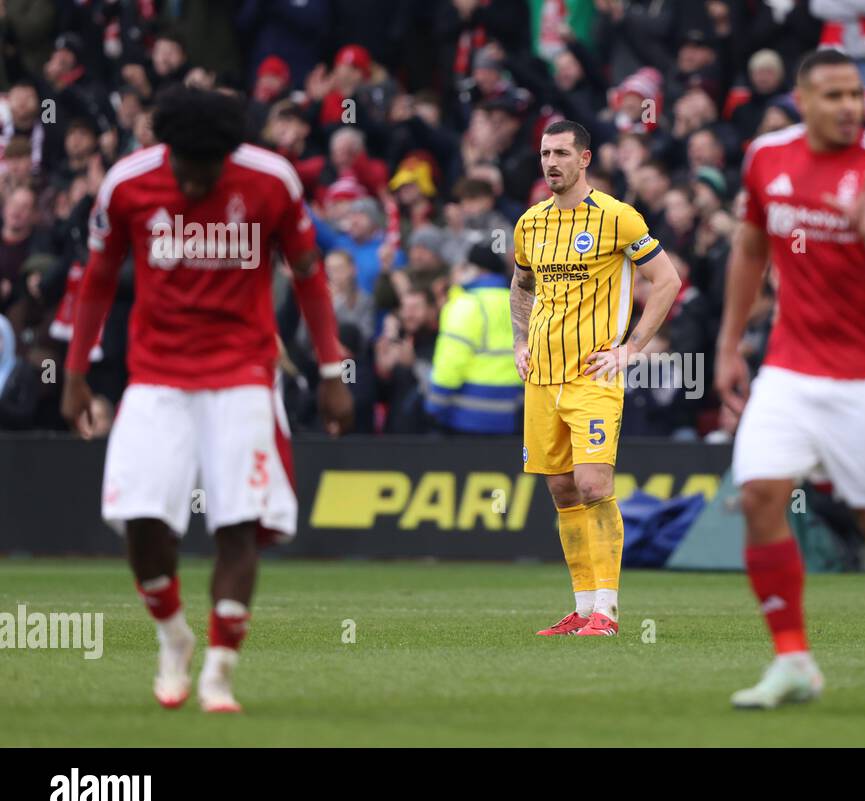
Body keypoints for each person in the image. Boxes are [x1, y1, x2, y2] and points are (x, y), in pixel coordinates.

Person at [60, 86, 354, 714]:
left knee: (235, 525)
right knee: (141, 522)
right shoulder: (127, 184)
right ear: (166, 151)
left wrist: (332, 368)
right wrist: (76, 369)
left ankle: (219, 672)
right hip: (157, 377)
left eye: (207, 173)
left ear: (231, 154)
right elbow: (97, 277)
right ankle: (174, 637)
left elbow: (308, 272)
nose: (194, 186)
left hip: (243, 375)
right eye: (185, 173)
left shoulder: (272, 180)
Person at [716, 49, 865, 713]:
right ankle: (792, 661)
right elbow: (750, 246)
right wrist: (729, 344)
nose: (850, 106)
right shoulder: (766, 157)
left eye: (857, 94)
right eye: (836, 95)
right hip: (789, 365)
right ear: (804, 98)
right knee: (759, 495)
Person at [510, 120, 682, 638]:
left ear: (585, 159)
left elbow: (667, 280)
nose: (550, 163)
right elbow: (520, 286)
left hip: (593, 376)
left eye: (561, 152)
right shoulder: (529, 224)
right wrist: (520, 341)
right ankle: (583, 609)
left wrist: (631, 350)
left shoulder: (617, 218)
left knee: (592, 484)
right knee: (562, 490)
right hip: (542, 378)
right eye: (544, 153)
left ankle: (607, 610)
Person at [427, 242, 523, 434]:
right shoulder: (518, 302)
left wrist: (433, 407)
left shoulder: (465, 305)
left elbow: (451, 363)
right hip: (512, 414)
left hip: (466, 416)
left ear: (473, 269)